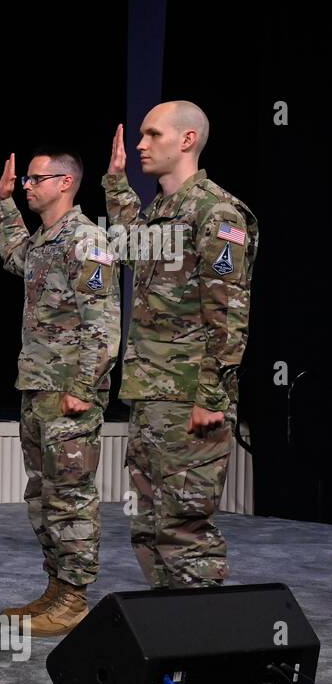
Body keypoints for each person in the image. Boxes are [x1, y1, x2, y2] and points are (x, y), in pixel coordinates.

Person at [103, 102, 257, 589]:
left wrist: (211, 396)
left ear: (187, 140)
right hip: (152, 396)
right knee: (149, 528)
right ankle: (174, 645)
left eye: (152, 135)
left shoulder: (216, 212)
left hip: (191, 399)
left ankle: (203, 646)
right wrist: (115, 185)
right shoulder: (164, 212)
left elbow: (229, 314)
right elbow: (128, 248)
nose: (141, 145)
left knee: (184, 531)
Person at [0, 148, 120, 636]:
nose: (27, 185)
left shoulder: (87, 239)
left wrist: (84, 387)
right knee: (42, 493)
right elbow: (13, 257)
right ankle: (55, 588)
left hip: (69, 389)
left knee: (70, 495)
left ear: (66, 182)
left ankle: (74, 597)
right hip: (39, 385)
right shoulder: (47, 239)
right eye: (25, 179)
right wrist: (5, 203)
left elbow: (103, 322)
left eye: (35, 178)